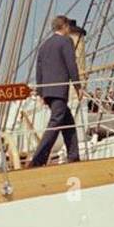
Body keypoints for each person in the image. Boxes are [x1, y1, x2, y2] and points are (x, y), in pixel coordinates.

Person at [28, 16, 82, 167]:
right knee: (56, 121)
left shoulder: (44, 45)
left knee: (68, 122)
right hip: (59, 89)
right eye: (68, 27)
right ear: (64, 26)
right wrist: (78, 86)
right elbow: (71, 64)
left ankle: (74, 156)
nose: (69, 30)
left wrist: (40, 92)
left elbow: (38, 70)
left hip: (48, 90)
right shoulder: (66, 41)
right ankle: (38, 159)